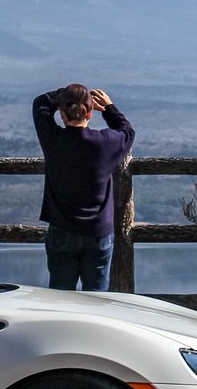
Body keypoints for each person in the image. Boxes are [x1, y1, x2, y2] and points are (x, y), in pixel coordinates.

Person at [32, 83, 134, 292]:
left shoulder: (54, 140)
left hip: (61, 230)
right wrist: (109, 108)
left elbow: (40, 104)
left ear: (61, 114)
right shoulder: (106, 142)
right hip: (98, 233)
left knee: (60, 298)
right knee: (96, 300)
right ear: (89, 113)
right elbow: (127, 132)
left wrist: (62, 94)